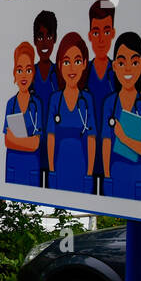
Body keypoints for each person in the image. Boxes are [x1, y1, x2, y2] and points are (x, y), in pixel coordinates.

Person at [101, 32, 141, 201]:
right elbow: (105, 142)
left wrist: (124, 138)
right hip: (115, 176)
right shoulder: (110, 103)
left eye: (134, 62)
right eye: (121, 62)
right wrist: (107, 177)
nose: (127, 68)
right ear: (114, 66)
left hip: (139, 179)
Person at [46, 32, 97, 195]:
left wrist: (89, 174)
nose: (72, 68)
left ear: (84, 64)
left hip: (81, 166)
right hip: (59, 166)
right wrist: (51, 170)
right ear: (60, 65)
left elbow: (91, 139)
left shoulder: (87, 99)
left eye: (77, 61)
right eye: (67, 62)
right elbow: (51, 137)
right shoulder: (55, 99)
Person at [85, 0, 117, 194]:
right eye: (96, 32)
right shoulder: (82, 74)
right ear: (90, 35)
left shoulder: (119, 74)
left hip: (112, 156)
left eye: (106, 31)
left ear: (113, 33)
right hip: (85, 157)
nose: (101, 39)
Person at [3, 42, 42, 186]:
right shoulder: (11, 104)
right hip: (13, 167)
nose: (24, 75)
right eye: (19, 70)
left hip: (31, 168)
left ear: (33, 73)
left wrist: (16, 140)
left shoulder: (37, 104)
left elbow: (36, 143)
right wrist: (26, 142)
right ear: (14, 73)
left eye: (28, 70)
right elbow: (7, 141)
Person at [30, 10, 59, 186]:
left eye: (49, 36)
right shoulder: (28, 75)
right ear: (34, 41)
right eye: (40, 37)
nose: (45, 42)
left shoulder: (61, 76)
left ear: (55, 38)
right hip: (31, 150)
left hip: (55, 151)